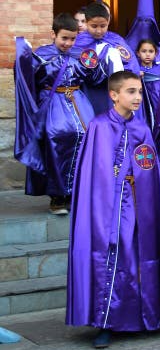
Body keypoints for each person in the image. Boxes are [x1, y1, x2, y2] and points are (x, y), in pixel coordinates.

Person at [67, 70, 160, 348]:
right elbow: (94, 173)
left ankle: (137, 317)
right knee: (109, 257)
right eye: (131, 92)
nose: (138, 97)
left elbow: (149, 168)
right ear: (113, 95)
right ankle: (105, 322)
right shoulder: (99, 126)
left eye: (139, 91)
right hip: (107, 206)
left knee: (135, 258)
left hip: (138, 204)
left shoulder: (142, 129)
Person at [14, 14, 107, 214]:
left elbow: (97, 78)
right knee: (55, 138)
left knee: (87, 139)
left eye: (72, 38)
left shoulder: (81, 55)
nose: (68, 43)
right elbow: (27, 79)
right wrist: (23, 55)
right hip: (53, 103)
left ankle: (77, 193)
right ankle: (57, 196)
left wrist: (96, 63)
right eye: (64, 38)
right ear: (53, 34)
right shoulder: (42, 55)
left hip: (78, 103)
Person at [73, 2, 140, 115]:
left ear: (108, 21)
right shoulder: (78, 42)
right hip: (89, 93)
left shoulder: (115, 40)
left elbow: (130, 64)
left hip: (112, 93)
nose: (99, 30)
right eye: (94, 26)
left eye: (103, 26)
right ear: (87, 22)